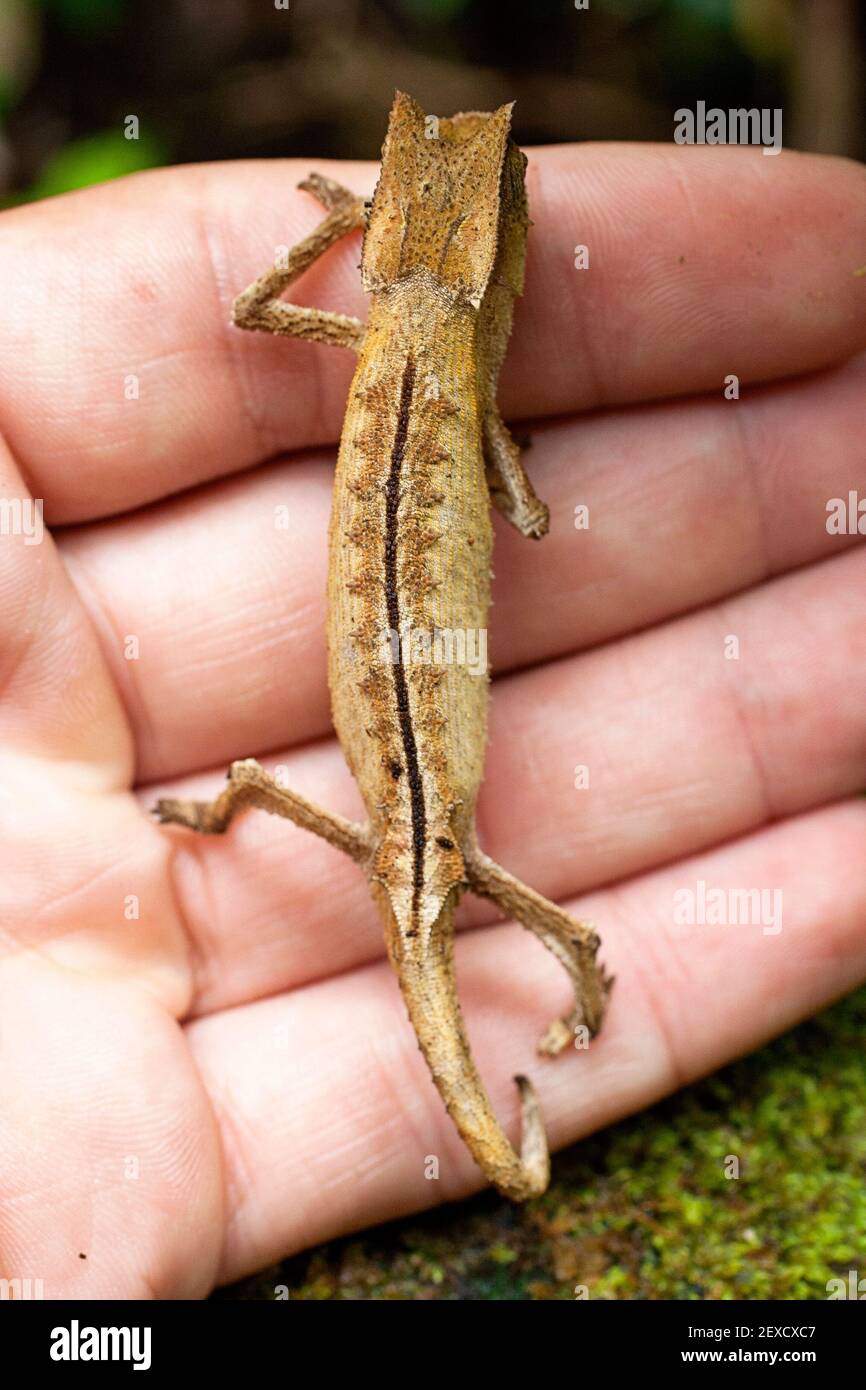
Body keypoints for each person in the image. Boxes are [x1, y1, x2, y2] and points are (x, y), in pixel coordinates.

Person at [0, 140, 864, 1298]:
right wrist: (502, 446)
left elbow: (261, 307)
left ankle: (531, 1017)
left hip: (408, 735)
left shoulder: (364, 338)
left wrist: (345, 231)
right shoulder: (437, 369)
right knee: (405, 846)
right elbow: (533, 520)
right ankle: (552, 1027)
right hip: (406, 735)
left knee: (374, 831)